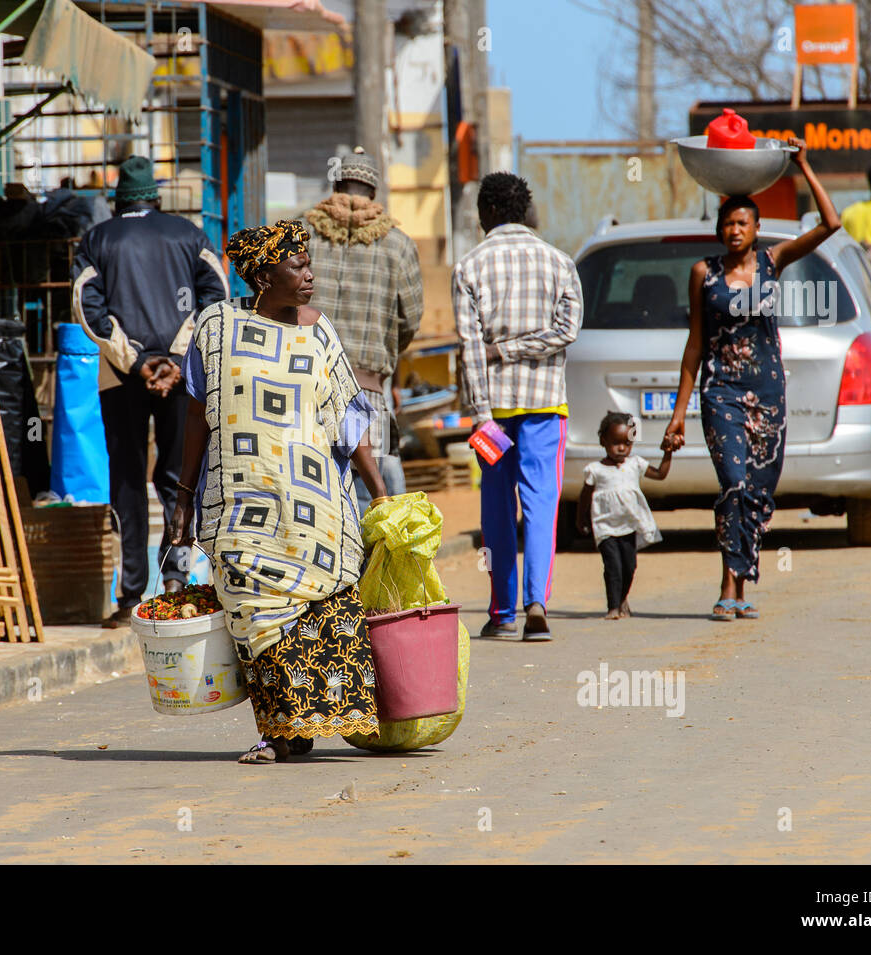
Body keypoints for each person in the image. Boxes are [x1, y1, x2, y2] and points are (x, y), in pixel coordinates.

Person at [167, 219, 389, 764]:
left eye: (309, 264)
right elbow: (198, 413)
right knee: (252, 614)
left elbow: (349, 423)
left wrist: (379, 494)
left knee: (315, 613)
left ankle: (306, 721)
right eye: (297, 267)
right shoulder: (216, 327)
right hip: (239, 505)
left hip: (313, 510)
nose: (310, 276)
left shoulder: (320, 333)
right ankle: (281, 729)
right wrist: (182, 496)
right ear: (264, 276)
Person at [663, 137, 840, 621]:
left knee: (759, 492)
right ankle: (727, 585)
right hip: (721, 391)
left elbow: (832, 223)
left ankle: (742, 585)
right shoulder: (704, 273)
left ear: (758, 228)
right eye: (727, 223)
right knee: (734, 485)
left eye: (742, 222)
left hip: (767, 394)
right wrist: (678, 416)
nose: (733, 229)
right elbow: (695, 345)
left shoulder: (772, 263)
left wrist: (802, 164)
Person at [71, 155, 230, 627]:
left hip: (120, 380)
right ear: (156, 199)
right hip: (184, 379)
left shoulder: (96, 239)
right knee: (179, 478)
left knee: (127, 481)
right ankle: (177, 583)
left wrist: (137, 361)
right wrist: (178, 359)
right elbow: (215, 297)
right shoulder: (189, 235)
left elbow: (86, 305)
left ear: (118, 202)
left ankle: (130, 597)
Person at [453, 172, 582, 641]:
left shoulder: (469, 267)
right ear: (524, 209)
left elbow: (470, 350)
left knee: (496, 511)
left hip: (493, 412)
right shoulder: (560, 262)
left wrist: (483, 411)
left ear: (486, 213)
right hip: (547, 404)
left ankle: (503, 612)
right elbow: (568, 331)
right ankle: (537, 604)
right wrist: (522, 347)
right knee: (541, 503)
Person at [302, 146, 423, 510]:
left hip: (304, 392)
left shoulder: (302, 233)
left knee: (314, 497)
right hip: (366, 395)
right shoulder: (398, 245)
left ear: (336, 184)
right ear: (372, 193)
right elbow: (411, 320)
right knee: (376, 501)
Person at [577, 412, 671, 619]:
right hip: (605, 527)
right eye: (616, 443)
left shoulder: (635, 464)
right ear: (603, 441)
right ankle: (613, 607)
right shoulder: (595, 470)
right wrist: (581, 519)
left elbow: (661, 474)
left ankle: (622, 600)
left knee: (629, 566)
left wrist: (668, 454)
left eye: (627, 444)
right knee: (613, 566)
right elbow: (585, 496)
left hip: (629, 526)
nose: (622, 448)